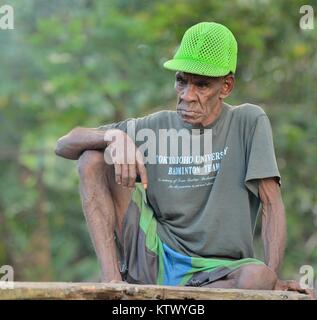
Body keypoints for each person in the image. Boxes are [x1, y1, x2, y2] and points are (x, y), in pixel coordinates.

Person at [55, 22, 311, 295]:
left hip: (220, 271)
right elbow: (64, 144)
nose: (187, 96)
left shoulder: (248, 122)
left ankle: (186, 293)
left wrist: (273, 281)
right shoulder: (155, 126)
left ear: (226, 86)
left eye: (201, 85)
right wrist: (112, 137)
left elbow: (272, 204)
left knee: (258, 277)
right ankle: (112, 282)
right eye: (181, 81)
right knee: (92, 159)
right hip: (154, 258)